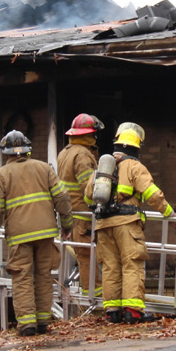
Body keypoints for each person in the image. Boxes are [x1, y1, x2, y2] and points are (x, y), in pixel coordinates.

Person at [0, 130, 74, 337]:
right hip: (46, 232)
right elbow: (62, 198)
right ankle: (43, 321)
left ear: (6, 153)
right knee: (44, 276)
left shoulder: (0, 176)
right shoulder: (44, 168)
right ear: (28, 149)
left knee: (22, 278)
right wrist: (67, 225)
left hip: (18, 236)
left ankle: (27, 325)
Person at [84, 122, 174, 324]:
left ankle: (112, 311)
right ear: (136, 147)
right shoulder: (135, 166)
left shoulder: (102, 168)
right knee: (132, 265)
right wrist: (169, 213)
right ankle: (133, 311)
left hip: (103, 226)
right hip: (126, 225)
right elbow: (151, 193)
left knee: (110, 267)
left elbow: (89, 197)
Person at [56, 113, 104, 299]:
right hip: (84, 215)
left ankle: (92, 293)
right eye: (94, 134)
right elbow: (89, 187)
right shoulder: (83, 155)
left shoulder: (65, 152)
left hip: (72, 214)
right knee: (88, 256)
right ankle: (95, 297)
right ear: (88, 135)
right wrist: (100, 205)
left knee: (85, 256)